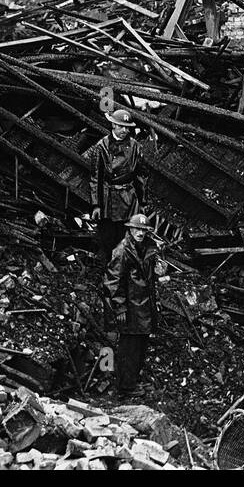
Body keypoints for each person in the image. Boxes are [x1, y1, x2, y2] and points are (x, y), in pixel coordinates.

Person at [102, 213, 165, 397]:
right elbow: (113, 280)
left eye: (144, 230)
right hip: (129, 308)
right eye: (137, 229)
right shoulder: (122, 251)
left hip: (143, 306)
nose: (140, 233)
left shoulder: (145, 248)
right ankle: (125, 387)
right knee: (129, 348)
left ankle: (132, 381)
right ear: (130, 229)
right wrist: (120, 306)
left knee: (140, 346)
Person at [89, 107, 147, 260]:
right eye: (121, 126)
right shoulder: (102, 146)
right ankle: (107, 272)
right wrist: (96, 204)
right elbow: (96, 177)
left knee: (127, 237)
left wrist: (142, 202)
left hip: (128, 197)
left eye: (127, 127)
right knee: (107, 237)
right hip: (109, 198)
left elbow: (140, 176)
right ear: (113, 125)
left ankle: (125, 270)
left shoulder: (135, 146)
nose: (124, 130)